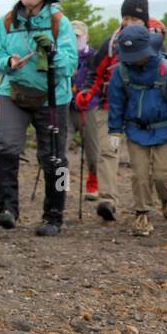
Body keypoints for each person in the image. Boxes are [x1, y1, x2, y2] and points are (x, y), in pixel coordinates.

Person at [0, 0, 78, 236]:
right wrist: (8, 62)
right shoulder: (7, 21)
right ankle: (7, 210)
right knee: (6, 148)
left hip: (53, 98)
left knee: (54, 158)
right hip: (13, 92)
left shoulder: (60, 23)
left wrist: (50, 54)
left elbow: (70, 63)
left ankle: (54, 215)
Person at [75, 0, 166, 222]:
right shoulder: (111, 44)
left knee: (146, 157)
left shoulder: (156, 42)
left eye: (134, 19)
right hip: (109, 105)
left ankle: (156, 200)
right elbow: (96, 73)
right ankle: (108, 200)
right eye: (125, 18)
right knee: (107, 150)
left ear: (144, 19)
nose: (128, 23)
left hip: (143, 107)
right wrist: (87, 92)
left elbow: (165, 72)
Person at [108, 24, 167, 236]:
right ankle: (142, 214)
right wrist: (114, 131)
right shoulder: (121, 72)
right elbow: (116, 102)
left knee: (163, 174)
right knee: (140, 175)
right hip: (136, 131)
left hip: (165, 131)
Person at [69, 20, 101, 200]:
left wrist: (88, 95)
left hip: (87, 108)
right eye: (71, 36)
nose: (74, 39)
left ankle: (93, 184)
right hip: (65, 108)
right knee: (60, 151)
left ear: (85, 36)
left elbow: (97, 80)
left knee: (93, 152)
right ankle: (61, 186)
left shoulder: (94, 57)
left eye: (78, 36)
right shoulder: (63, 56)